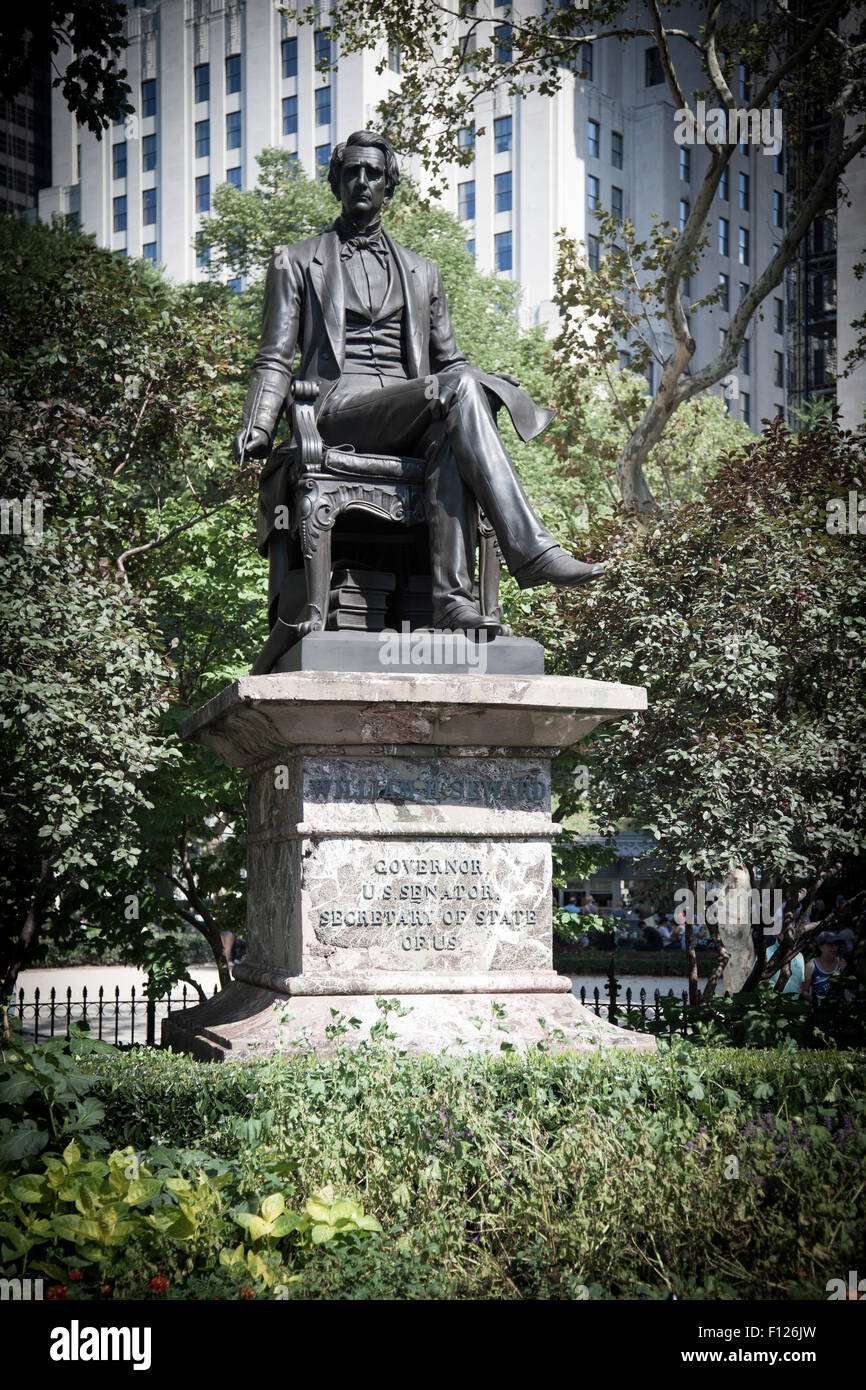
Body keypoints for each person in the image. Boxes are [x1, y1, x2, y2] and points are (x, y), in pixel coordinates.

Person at [234, 130, 605, 632]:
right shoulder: (296, 260)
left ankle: (453, 601)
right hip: (339, 408)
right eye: (351, 172)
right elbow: (275, 355)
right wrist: (257, 424)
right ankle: (533, 550)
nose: (362, 181)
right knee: (458, 390)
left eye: (374, 173)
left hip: (411, 408)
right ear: (336, 182)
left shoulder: (422, 272)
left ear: (390, 186)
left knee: (458, 420)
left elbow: (449, 360)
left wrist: (479, 377)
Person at [800, 931, 847, 1007]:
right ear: (820, 946)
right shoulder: (811, 965)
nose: (834, 947)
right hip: (818, 1011)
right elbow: (803, 990)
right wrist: (814, 1001)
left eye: (836, 944)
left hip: (839, 1010)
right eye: (830, 944)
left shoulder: (842, 963)